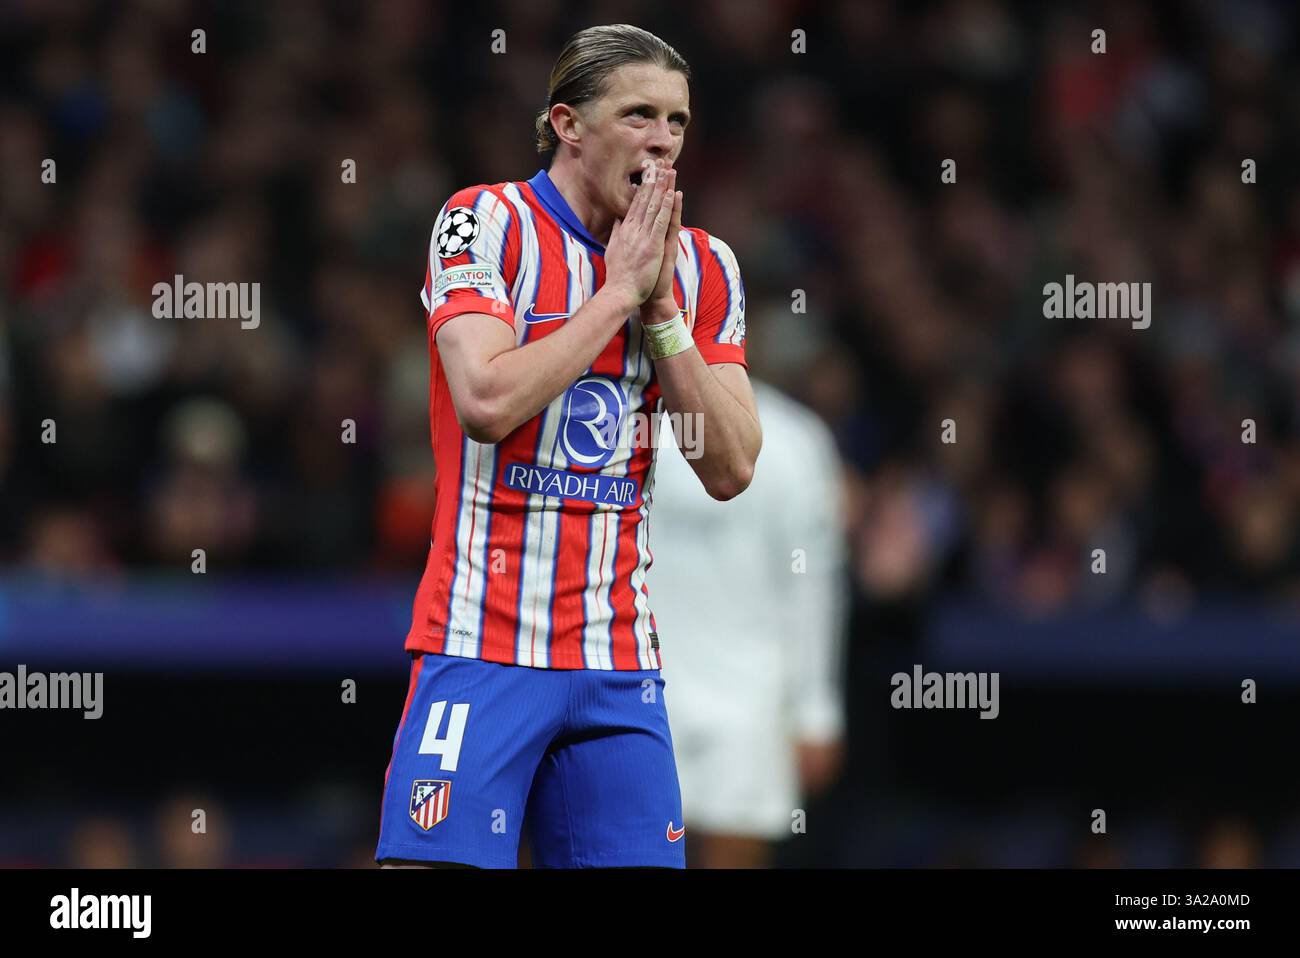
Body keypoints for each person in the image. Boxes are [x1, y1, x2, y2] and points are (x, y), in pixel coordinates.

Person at [375, 24, 761, 869]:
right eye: (639, 115)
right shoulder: (485, 223)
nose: (663, 141)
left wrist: (661, 313)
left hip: (618, 664)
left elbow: (730, 465)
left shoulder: (705, 268)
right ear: (567, 124)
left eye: (678, 121)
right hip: (482, 644)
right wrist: (617, 293)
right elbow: (484, 399)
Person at [652, 379, 848, 868]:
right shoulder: (617, 423)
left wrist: (815, 709)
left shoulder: (794, 438)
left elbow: (812, 582)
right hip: (633, 689)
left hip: (749, 703)